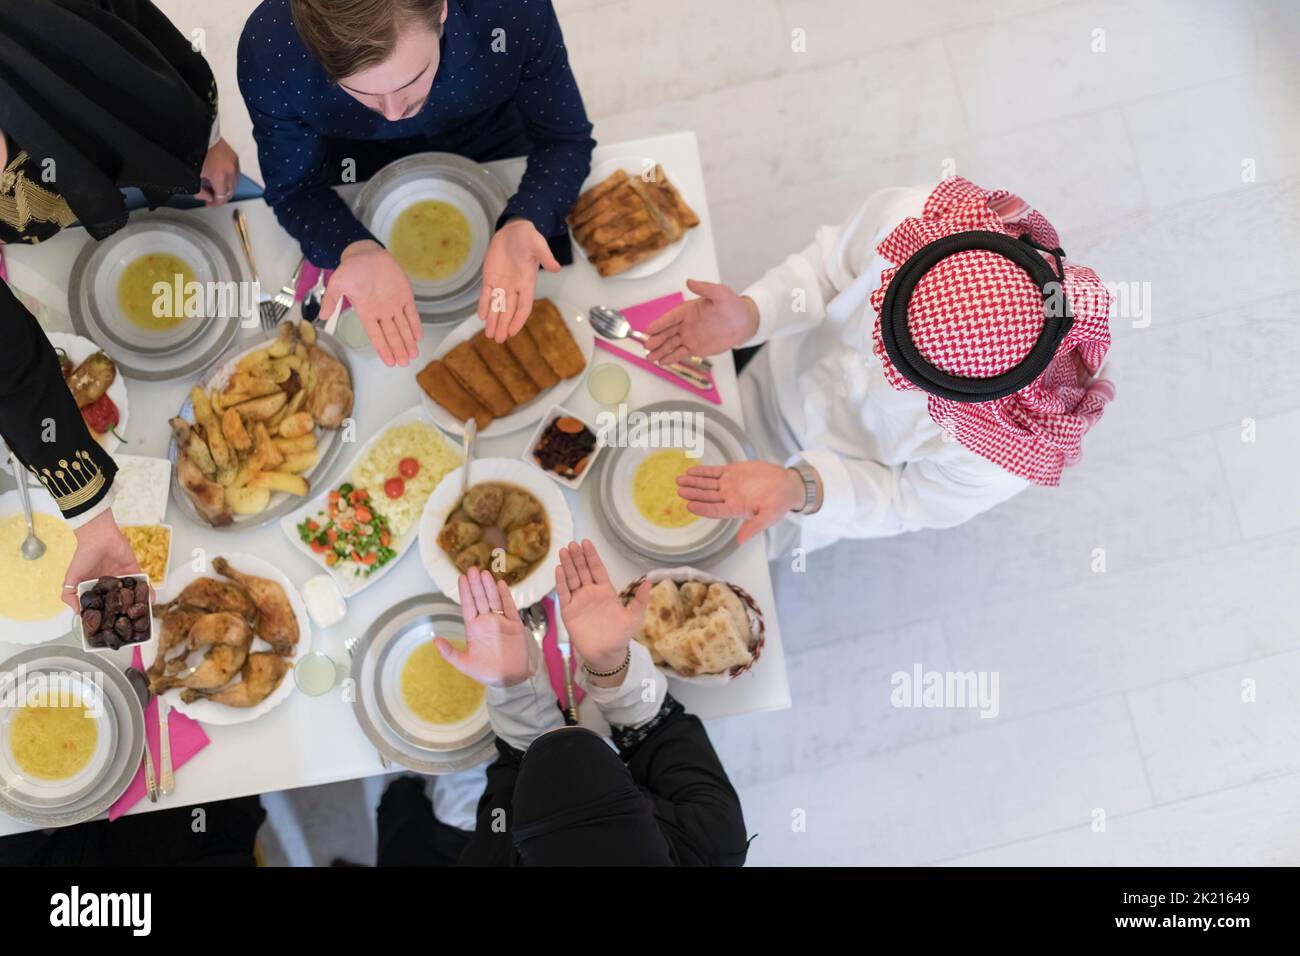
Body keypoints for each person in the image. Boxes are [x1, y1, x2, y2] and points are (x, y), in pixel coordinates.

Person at [645, 177, 1115, 559]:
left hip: (815, 481)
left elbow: (902, 501)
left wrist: (797, 487)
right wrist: (753, 313)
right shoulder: (914, 222)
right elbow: (826, 272)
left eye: (900, 367)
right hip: (770, 367)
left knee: (689, 558)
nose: (875, 353)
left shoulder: (1012, 445)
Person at [0, 0, 244, 608]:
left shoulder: (41, 22)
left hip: (108, 127)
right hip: (46, 211)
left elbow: (138, 37)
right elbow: (12, 369)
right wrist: (92, 518)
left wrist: (203, 142)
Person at [237, 0, 596, 366]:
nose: (393, 113)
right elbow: (295, 188)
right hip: (356, 163)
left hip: (493, 142)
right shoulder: (271, 46)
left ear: (441, 10)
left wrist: (529, 217)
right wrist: (351, 246)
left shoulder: (511, 9)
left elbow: (565, 140)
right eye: (362, 92)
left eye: (411, 80)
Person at [375, 543, 749, 866]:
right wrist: (609, 663)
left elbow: (510, 772)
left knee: (408, 810)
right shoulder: (713, 836)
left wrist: (514, 688)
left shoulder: (490, 855)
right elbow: (659, 732)